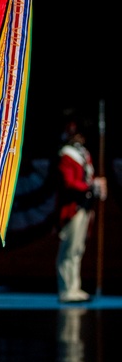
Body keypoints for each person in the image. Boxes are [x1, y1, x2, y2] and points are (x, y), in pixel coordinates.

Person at [55, 125, 106, 303]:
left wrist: (96, 186)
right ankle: (66, 288)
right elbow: (69, 182)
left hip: (85, 205)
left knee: (77, 249)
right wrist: (89, 186)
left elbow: (88, 177)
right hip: (73, 206)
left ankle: (74, 287)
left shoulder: (84, 154)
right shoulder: (67, 155)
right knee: (69, 249)